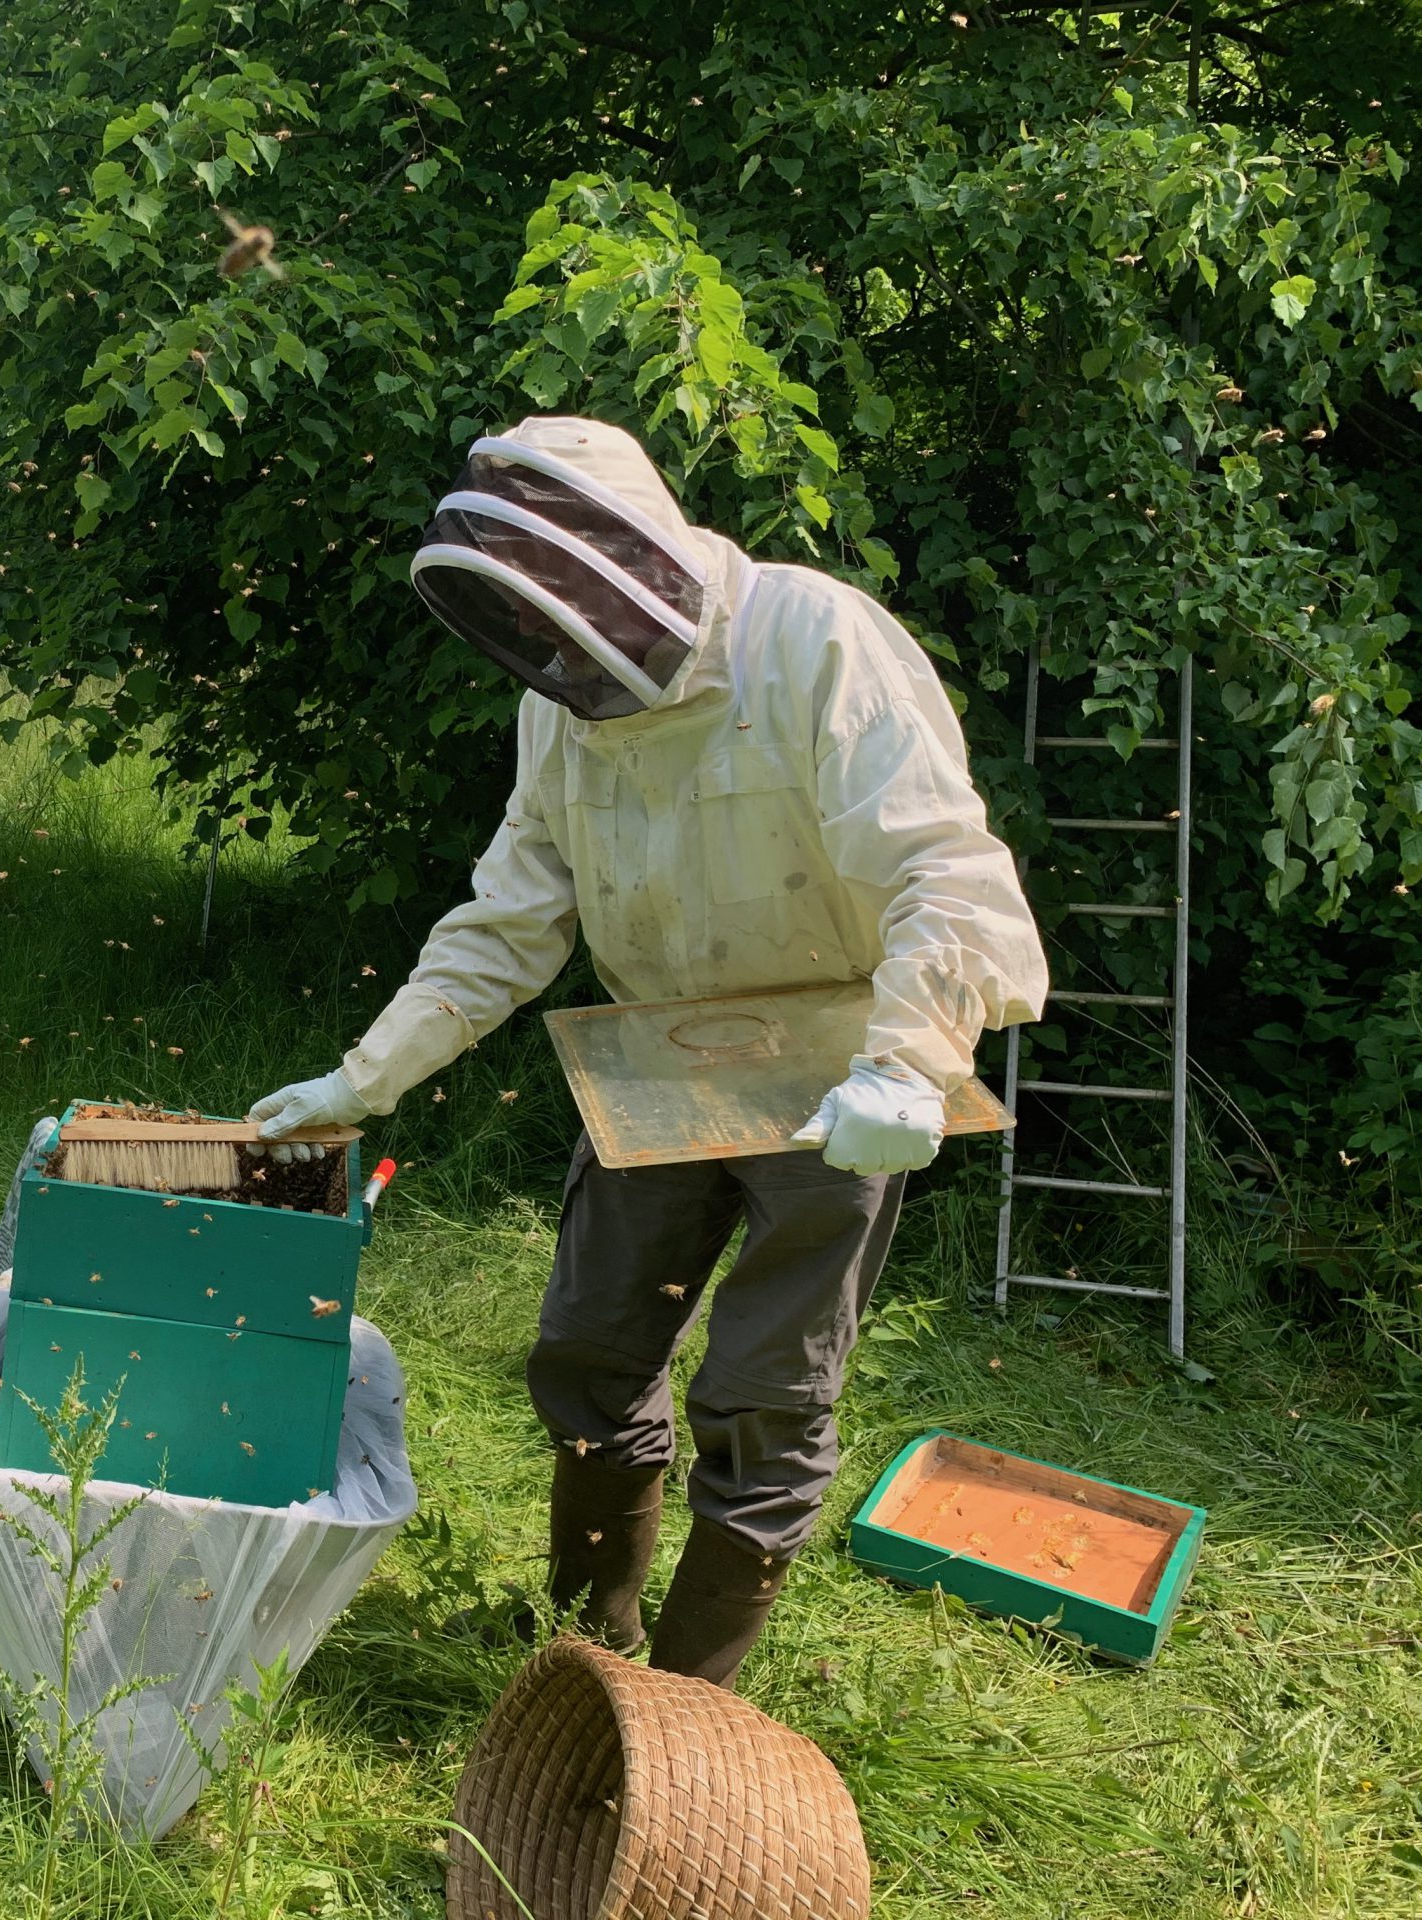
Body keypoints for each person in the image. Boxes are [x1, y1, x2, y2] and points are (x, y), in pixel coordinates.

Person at [247, 416, 1046, 1686]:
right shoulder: (561, 709)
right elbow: (508, 917)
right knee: (589, 1351)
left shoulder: (813, 641)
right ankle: (590, 1643)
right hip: (658, 1062)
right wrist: (367, 1074)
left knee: (766, 1398)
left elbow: (939, 866)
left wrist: (908, 1058)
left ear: (639, 566)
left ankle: (684, 1704)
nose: (572, 667)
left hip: (837, 1063)